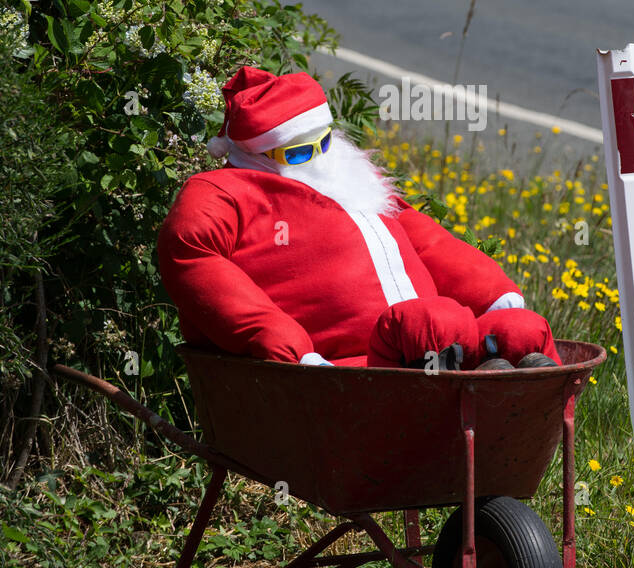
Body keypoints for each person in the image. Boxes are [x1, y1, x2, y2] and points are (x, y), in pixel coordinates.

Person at [158, 66, 560, 371]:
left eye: (325, 142)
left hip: (427, 339)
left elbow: (425, 240)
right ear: (258, 154)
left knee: (522, 330)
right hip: (351, 372)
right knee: (433, 321)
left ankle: (499, 404)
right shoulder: (227, 191)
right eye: (299, 153)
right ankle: (473, 399)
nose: (318, 159)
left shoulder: (350, 175)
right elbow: (191, 255)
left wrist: (493, 293)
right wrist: (281, 342)